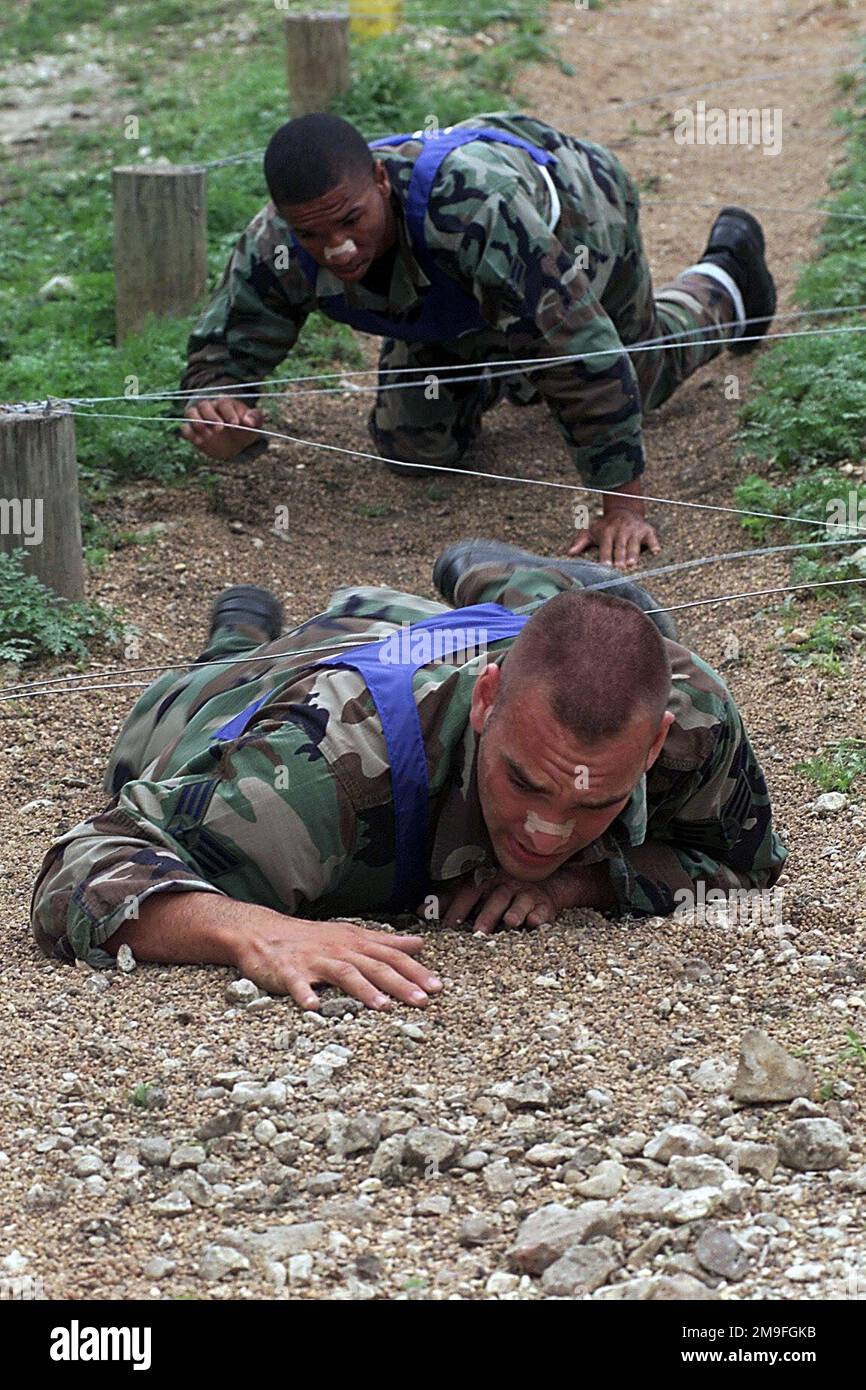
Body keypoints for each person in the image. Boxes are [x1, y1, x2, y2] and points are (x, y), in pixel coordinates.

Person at [30, 543, 786, 1011]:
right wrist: (252, 929)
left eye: (596, 803)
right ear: (487, 703)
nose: (548, 830)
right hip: (238, 696)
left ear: (653, 747)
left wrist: (579, 883)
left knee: (575, 624)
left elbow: (745, 867)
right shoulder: (313, 777)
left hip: (432, 631)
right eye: (524, 783)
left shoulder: (693, 717)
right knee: (223, 669)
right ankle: (238, 630)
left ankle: (503, 576)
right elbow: (82, 866)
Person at [178, 110, 775, 569]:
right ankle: (509, 355)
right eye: (313, 234)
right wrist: (223, 413)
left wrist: (620, 505)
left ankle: (725, 280)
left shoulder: (476, 208)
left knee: (634, 378)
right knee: (414, 445)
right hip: (455, 289)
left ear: (380, 182)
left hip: (581, 210)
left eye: (351, 221)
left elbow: (580, 352)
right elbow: (221, 351)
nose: (337, 248)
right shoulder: (278, 241)